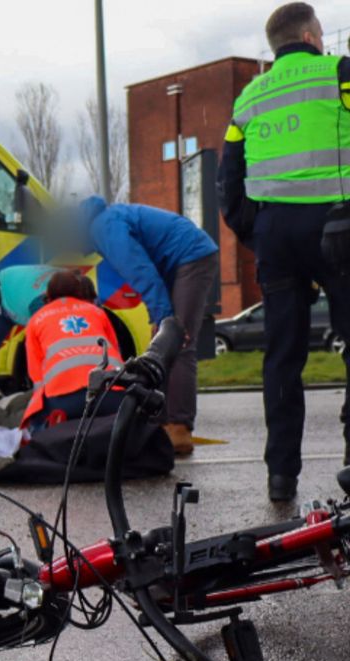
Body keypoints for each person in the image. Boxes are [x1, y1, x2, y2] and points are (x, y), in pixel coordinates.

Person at [218, 2, 350, 502]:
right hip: (340, 226)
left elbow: (228, 181)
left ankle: (281, 475)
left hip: (276, 234)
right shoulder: (339, 73)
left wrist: (259, 232)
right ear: (314, 36)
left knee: (282, 356)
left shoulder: (249, 96)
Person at [77, 195, 219, 456]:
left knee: (179, 343)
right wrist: (160, 320)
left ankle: (179, 428)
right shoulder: (107, 224)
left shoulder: (104, 227)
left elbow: (141, 272)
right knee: (165, 344)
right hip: (180, 260)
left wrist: (165, 318)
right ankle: (160, 423)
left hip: (192, 256)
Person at [21, 271, 124, 431]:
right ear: (79, 290)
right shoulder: (97, 312)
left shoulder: (37, 319)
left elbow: (37, 379)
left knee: (36, 424)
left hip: (66, 402)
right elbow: (115, 351)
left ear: (48, 294)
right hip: (112, 396)